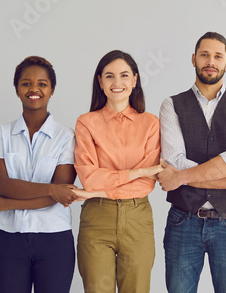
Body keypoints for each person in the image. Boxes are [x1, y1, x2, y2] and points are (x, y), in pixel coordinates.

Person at [157, 32, 226, 293]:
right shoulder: (172, 105)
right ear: (194, 59)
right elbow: (174, 161)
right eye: (204, 55)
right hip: (183, 220)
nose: (210, 61)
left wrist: (181, 178)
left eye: (217, 56)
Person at [0, 56, 80, 293]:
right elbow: (1, 184)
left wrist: (6, 204)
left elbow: (60, 195)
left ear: (52, 90)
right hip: (9, 239)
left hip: (54, 240)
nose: (33, 89)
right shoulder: (1, 134)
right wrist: (51, 189)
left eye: (42, 84)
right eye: (26, 83)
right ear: (17, 89)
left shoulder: (66, 136)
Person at [72, 50, 162, 292]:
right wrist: (138, 171)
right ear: (100, 82)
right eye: (109, 76)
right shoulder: (86, 122)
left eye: (124, 75)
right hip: (97, 219)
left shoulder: (151, 123)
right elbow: (90, 179)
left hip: (137, 218)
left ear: (134, 80)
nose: (117, 82)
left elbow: (146, 184)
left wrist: (95, 191)